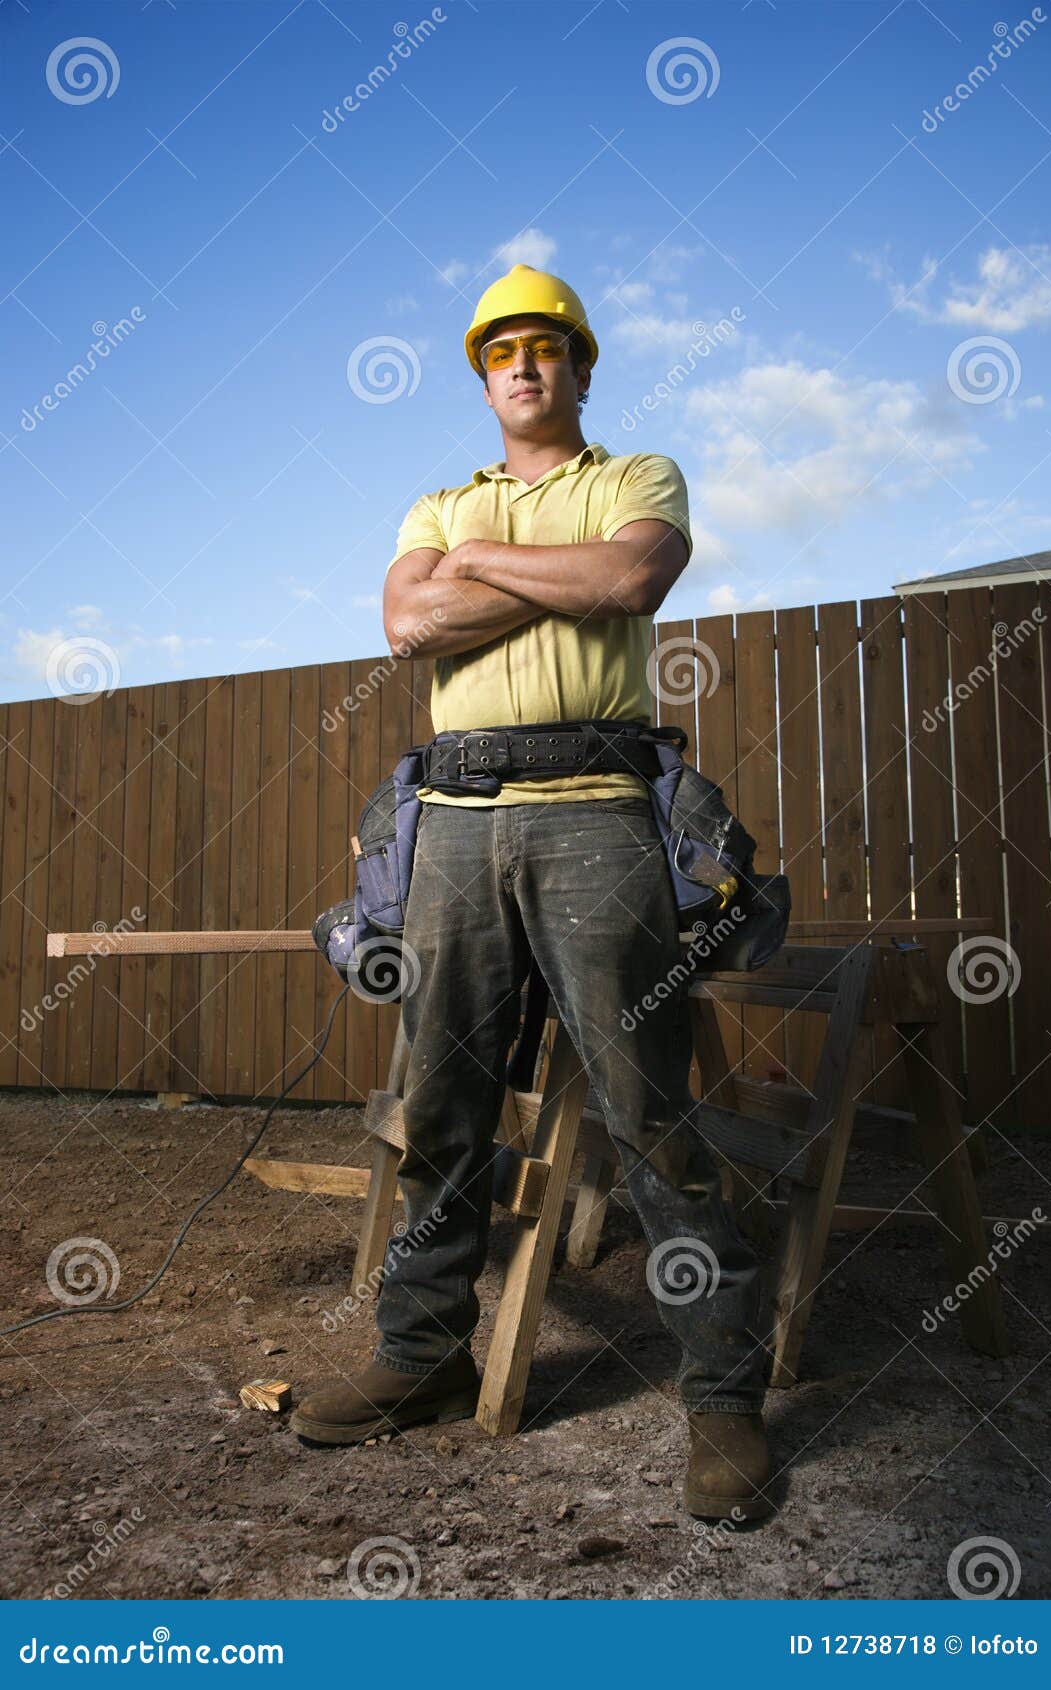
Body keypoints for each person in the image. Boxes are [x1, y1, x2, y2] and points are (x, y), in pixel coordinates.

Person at [293, 264, 773, 1521]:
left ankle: (722, 1396)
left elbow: (627, 585)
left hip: (597, 816)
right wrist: (535, 564)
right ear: (481, 372)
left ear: (577, 364)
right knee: (443, 1103)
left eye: (545, 345)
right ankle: (421, 1359)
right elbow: (406, 624)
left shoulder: (636, 480)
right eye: (500, 347)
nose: (523, 363)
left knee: (645, 1108)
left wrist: (483, 569)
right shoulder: (431, 504)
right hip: (451, 824)